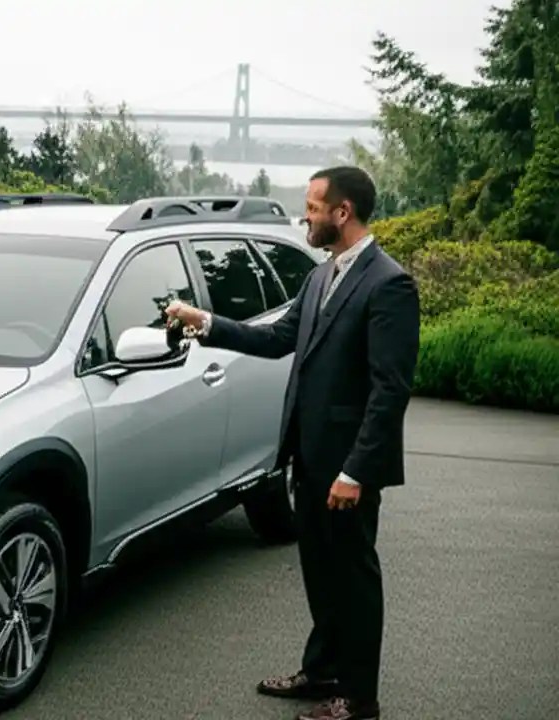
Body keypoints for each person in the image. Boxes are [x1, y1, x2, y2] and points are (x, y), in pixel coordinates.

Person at [165, 166, 419, 720]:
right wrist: (204, 321)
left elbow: (389, 390)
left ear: (342, 213)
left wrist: (356, 471)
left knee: (353, 580)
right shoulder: (323, 275)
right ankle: (322, 672)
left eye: (312, 205)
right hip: (305, 460)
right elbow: (278, 338)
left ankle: (357, 700)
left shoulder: (388, 283)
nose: (305, 214)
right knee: (321, 575)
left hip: (347, 470)